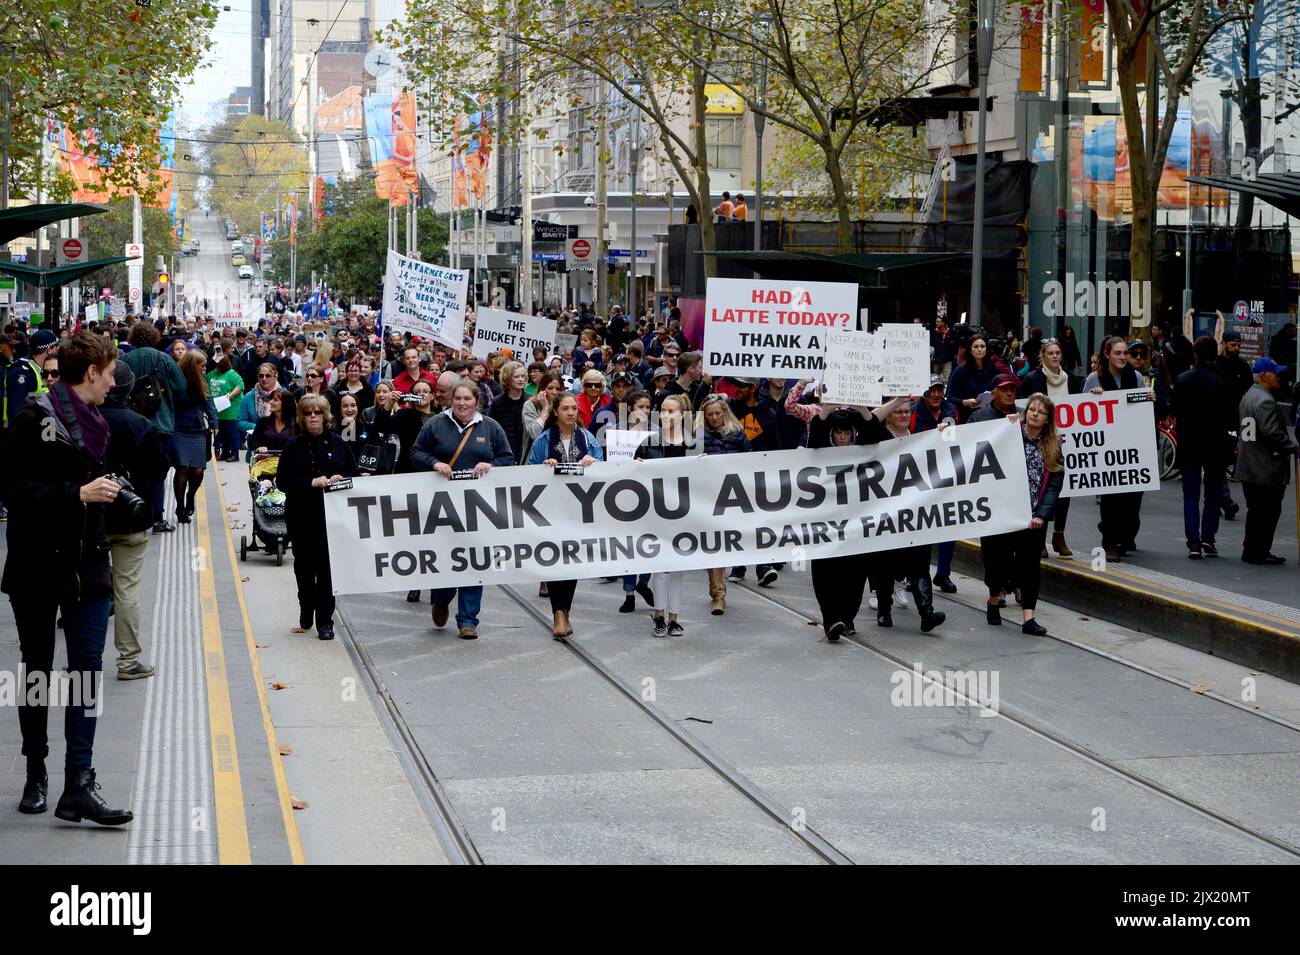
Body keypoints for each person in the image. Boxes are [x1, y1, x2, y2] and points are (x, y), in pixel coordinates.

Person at [1, 332, 133, 825]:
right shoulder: (32, 419)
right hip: (37, 565)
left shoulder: (99, 422)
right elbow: (14, 492)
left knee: (85, 672)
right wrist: (75, 494)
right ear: (92, 372)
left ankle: (79, 782)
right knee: (36, 670)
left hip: (89, 564)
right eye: (110, 371)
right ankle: (36, 772)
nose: (115, 380)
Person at [410, 380, 514, 637]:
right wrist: (434, 463)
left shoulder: (490, 428)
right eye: (458, 398)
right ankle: (441, 598)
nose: (462, 403)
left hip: (478, 508)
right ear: (451, 400)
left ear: (476, 402)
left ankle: (468, 620)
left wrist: (492, 466)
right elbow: (416, 452)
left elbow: (506, 457)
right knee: (447, 559)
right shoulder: (435, 424)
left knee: (475, 561)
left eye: (467, 399)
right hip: (441, 507)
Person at [101, 362, 168, 681]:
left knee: (89, 586)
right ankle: (128, 660)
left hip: (90, 515)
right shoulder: (140, 424)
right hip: (130, 514)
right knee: (126, 588)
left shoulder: (84, 420)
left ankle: (83, 656)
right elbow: (158, 470)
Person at [980, 393, 1063, 636]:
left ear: (1048, 419)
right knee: (997, 563)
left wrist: (1042, 515)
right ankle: (994, 599)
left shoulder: (1052, 446)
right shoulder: (1009, 433)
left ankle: (1029, 617)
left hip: (1032, 518)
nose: (1034, 413)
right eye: (1031, 409)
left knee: (1029, 567)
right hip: (1004, 513)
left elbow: (1054, 484)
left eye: (1040, 411)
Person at [277, 395, 357, 639]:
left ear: (325, 416)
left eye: (318, 412)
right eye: (309, 413)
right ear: (302, 417)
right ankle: (306, 606)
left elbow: (353, 475)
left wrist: (340, 479)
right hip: (302, 515)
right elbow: (282, 481)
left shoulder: (339, 444)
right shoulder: (292, 446)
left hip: (331, 519)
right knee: (304, 568)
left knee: (327, 571)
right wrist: (311, 482)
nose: (313, 417)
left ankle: (325, 621)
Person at [527, 392, 603, 637]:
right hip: (551, 510)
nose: (570, 412)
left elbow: (604, 470)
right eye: (565, 409)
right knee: (554, 559)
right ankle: (558, 613)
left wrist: (594, 462)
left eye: (573, 408)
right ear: (556, 412)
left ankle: (564, 612)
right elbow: (529, 473)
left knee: (571, 561)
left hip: (578, 510)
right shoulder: (543, 440)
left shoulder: (588, 439)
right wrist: (543, 467)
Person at [635, 393, 696, 636]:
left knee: (677, 569)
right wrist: (638, 466)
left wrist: (704, 463)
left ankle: (674, 618)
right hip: (657, 511)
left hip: (683, 513)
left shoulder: (693, 444)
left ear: (683, 415)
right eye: (662, 410)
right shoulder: (650, 442)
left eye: (671, 411)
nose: (665, 415)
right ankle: (659, 616)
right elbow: (633, 472)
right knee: (660, 566)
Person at [1083, 336, 1146, 561]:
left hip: (1131, 445)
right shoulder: (1094, 378)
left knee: (1131, 498)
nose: (1122, 357)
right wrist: (1092, 398)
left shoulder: (1136, 377)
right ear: (1107, 354)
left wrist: (1150, 399)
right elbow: (1082, 412)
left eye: (1124, 353)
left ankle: (1124, 535)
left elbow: (1142, 407)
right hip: (1107, 447)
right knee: (1110, 498)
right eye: (1118, 353)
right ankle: (1109, 543)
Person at [1173, 337, 1236, 559]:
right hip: (1215, 445)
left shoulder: (1182, 380)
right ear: (1213, 355)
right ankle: (1208, 537)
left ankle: (1193, 542)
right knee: (1213, 493)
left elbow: (1176, 411)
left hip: (1189, 443)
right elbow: (1231, 417)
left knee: (1190, 493)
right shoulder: (1223, 381)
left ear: (1196, 355)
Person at [1236, 357, 1298, 564]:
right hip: (1264, 467)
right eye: (1274, 372)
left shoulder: (1249, 396)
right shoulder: (1265, 401)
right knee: (1266, 512)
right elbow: (1272, 433)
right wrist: (1293, 447)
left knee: (1256, 511)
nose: (1278, 376)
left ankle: (1252, 549)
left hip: (1250, 465)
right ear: (1264, 375)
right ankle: (1258, 551)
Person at [697, 394, 750, 614]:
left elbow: (751, 460)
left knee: (734, 542)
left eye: (718, 413)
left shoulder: (737, 434)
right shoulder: (697, 436)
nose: (715, 417)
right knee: (715, 545)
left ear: (725, 412)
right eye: (710, 414)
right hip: (710, 498)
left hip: (736, 496)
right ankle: (719, 595)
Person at [171, 350, 219, 525]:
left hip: (197, 427)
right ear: (192, 365)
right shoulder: (176, 378)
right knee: (182, 467)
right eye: (202, 366)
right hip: (178, 427)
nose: (205, 369)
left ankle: (190, 496)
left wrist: (214, 422)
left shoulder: (203, 379)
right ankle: (180, 507)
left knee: (198, 470)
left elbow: (209, 401)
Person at [1216, 331, 1252, 521]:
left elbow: (1249, 390)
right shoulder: (1216, 365)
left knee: (1242, 459)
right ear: (1224, 344)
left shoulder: (1243, 366)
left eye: (1239, 345)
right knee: (1220, 463)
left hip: (1240, 418)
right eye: (1233, 345)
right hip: (1220, 420)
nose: (1237, 348)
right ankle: (1226, 501)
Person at [2, 328, 56, 427]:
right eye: (56, 347)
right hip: (19, 435)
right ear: (49, 350)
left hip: (40, 431)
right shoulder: (22, 372)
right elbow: (16, 412)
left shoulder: (39, 369)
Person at [945, 332, 998, 423]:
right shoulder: (960, 371)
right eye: (976, 347)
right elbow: (950, 397)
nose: (979, 349)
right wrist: (964, 402)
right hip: (967, 416)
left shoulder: (993, 368)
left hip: (989, 415)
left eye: (982, 346)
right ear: (970, 350)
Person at [206, 352, 245, 462]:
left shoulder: (232, 374)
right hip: (218, 408)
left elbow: (240, 386)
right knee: (222, 432)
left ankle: (234, 453)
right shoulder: (212, 374)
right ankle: (225, 452)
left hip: (232, 408)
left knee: (232, 432)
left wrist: (231, 395)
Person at [487, 360, 528, 463]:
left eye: (523, 376)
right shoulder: (497, 403)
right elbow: (491, 429)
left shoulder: (530, 401)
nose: (520, 379)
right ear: (508, 378)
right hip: (502, 453)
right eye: (516, 376)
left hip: (524, 454)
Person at [522, 371, 567, 466]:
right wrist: (545, 409)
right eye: (550, 388)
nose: (554, 392)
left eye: (558, 389)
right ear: (542, 389)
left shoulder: (566, 407)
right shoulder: (530, 405)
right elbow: (534, 433)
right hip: (536, 459)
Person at [250, 387, 298, 453]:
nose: (270, 402)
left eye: (275, 400)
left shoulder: (297, 424)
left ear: (285, 403)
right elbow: (253, 442)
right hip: (266, 460)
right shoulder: (263, 422)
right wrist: (259, 447)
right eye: (272, 399)